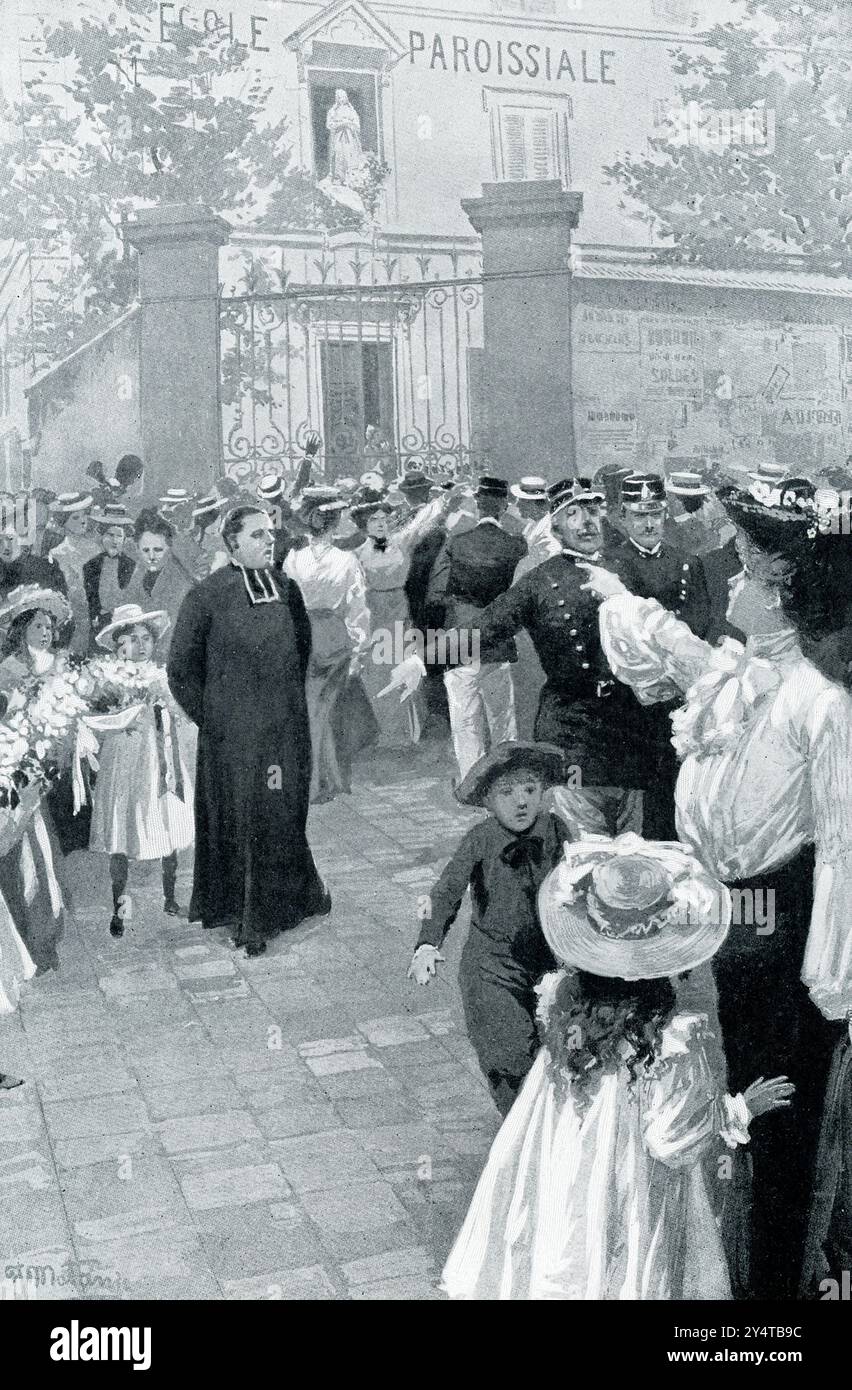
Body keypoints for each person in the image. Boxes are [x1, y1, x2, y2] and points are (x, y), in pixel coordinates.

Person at [580, 479, 852, 1300]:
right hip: (727, 916)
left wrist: (832, 974)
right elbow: (672, 650)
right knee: (722, 1097)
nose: (727, 585)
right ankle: (727, 1276)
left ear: (780, 595)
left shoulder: (820, 702)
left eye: (743, 574)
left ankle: (774, 1294)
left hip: (786, 921)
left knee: (778, 1119)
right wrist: (616, 596)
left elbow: (842, 844)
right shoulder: (739, 676)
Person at [441, 834, 793, 1300]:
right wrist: (741, 1109)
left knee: (571, 1263)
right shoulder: (672, 1041)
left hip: (568, 1182)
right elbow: (671, 1137)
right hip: (629, 1193)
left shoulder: (567, 1012)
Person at [384, 478, 648, 838]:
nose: (586, 522)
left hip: (628, 720)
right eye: (573, 514)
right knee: (580, 837)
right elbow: (486, 626)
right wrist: (421, 661)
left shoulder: (627, 569)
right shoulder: (540, 581)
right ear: (556, 526)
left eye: (592, 511)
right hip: (571, 723)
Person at [167, 506, 330, 956]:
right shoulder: (205, 596)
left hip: (283, 731)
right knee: (247, 817)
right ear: (232, 544)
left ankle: (292, 899)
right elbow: (180, 670)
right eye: (257, 535)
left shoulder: (287, 589)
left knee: (285, 808)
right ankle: (247, 916)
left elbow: (301, 650)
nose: (269, 541)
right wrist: (216, 720)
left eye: (271, 534)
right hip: (232, 741)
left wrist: (286, 710)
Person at [408, 742, 568, 1116]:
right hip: (491, 965)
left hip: (546, 959)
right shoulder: (481, 839)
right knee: (507, 1050)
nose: (521, 802)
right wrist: (427, 943)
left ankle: (545, 1132)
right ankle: (517, 1126)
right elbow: (446, 892)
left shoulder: (557, 830)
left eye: (530, 790)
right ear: (488, 800)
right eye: (507, 793)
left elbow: (578, 877)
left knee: (553, 1050)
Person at [86, 605, 193, 938]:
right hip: (123, 762)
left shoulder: (161, 675)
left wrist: (172, 704)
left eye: (146, 638)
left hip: (158, 759)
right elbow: (97, 718)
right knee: (122, 829)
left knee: (167, 822)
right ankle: (120, 908)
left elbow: (181, 711)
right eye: (132, 640)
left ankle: (171, 897)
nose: (141, 645)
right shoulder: (108, 678)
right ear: (120, 645)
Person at [427, 476, 527, 778]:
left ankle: (472, 779)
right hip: (498, 639)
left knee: (465, 717)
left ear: (476, 503)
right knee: (502, 716)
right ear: (504, 507)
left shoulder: (457, 543)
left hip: (460, 639)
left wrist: (460, 605)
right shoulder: (516, 546)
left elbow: (435, 594)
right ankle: (506, 776)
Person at [284, 487, 374, 803]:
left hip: (302, 634)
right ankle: (326, 778)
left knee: (309, 709)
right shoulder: (346, 560)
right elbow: (357, 607)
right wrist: (359, 648)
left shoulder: (294, 559)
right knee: (327, 710)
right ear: (334, 522)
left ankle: (315, 779)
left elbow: (287, 603)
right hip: (333, 635)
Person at [0, 585, 73, 966]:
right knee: (22, 854)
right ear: (21, 628)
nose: (45, 632)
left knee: (43, 853)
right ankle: (29, 941)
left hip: (42, 770)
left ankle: (44, 937)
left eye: (49, 627)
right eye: (38, 625)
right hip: (13, 771)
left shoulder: (57, 665)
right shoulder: (9, 670)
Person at [126, 509, 194, 652]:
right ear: (137, 549)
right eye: (145, 550)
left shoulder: (181, 583)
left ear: (169, 548)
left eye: (158, 550)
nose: (151, 556)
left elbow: (178, 634)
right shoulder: (139, 572)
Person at [48, 491, 99, 656]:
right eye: (75, 518)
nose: (83, 520)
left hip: (95, 616)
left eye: (84, 515)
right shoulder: (56, 554)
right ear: (63, 522)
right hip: (70, 618)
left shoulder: (95, 549)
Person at [82, 503, 136, 645]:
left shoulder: (131, 566)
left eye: (119, 536)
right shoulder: (91, 565)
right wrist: (94, 616)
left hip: (126, 621)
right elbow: (91, 597)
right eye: (110, 535)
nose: (114, 540)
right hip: (100, 621)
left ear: (124, 539)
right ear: (102, 536)